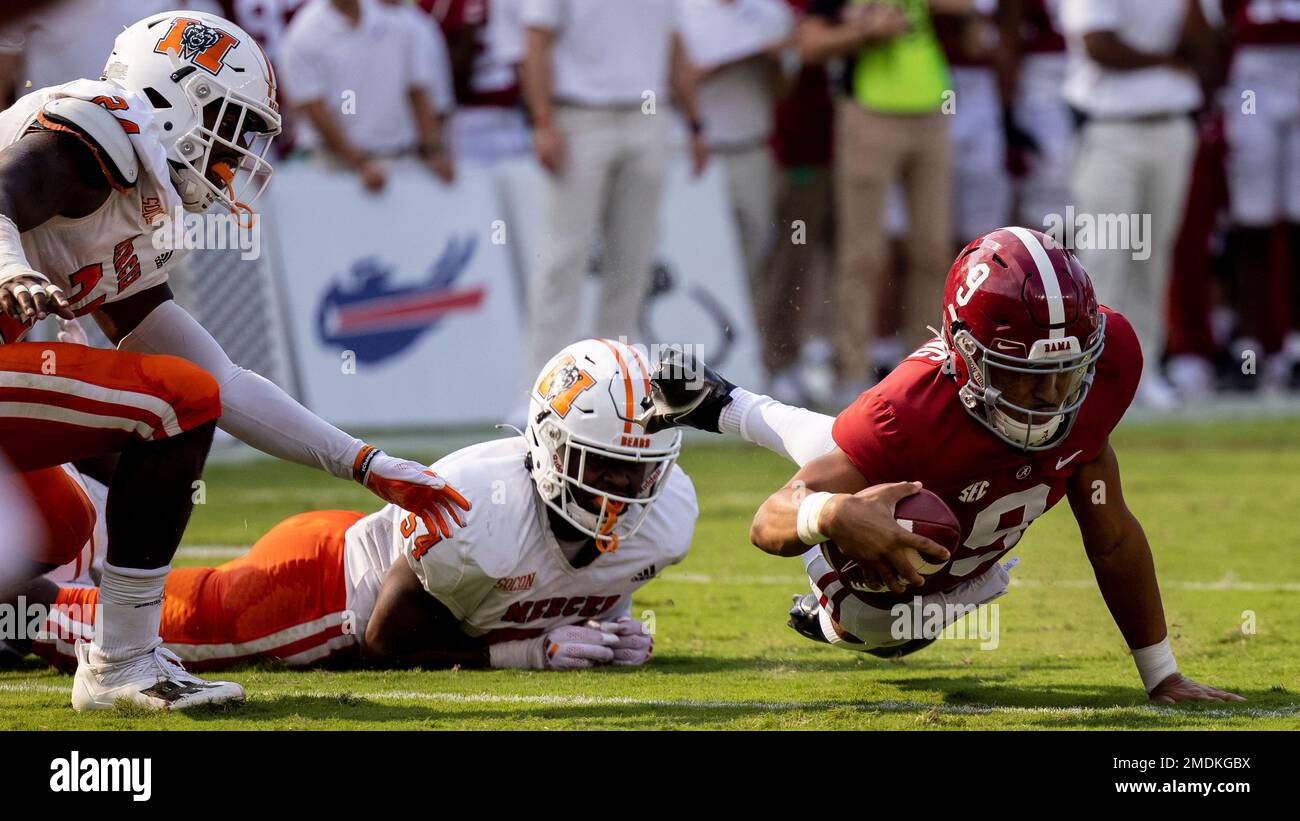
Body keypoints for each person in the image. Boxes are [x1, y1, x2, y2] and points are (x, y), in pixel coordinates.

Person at [0, 9, 470, 710]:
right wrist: (10, 269)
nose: (234, 154)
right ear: (170, 96)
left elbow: (224, 381)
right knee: (170, 404)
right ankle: (121, 662)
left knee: (63, 521)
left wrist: (365, 463)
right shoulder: (95, 129)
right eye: (227, 122)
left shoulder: (124, 197)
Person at [645, 226, 1242, 704]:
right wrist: (837, 516)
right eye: (1023, 376)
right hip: (886, 584)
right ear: (965, 357)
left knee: (857, 455)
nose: (1051, 397)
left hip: (968, 540)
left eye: (1066, 372)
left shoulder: (1108, 364)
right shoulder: (903, 411)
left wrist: (1162, 675)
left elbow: (1111, 538)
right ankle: (827, 614)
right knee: (886, 617)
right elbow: (768, 519)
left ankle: (725, 404)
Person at [22, 339, 696, 673]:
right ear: (551, 447)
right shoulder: (483, 509)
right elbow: (384, 637)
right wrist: (531, 653)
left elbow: (570, 582)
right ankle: (23, 605)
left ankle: (80, 534)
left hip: (368, 555)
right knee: (173, 631)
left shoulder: (666, 519)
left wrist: (609, 627)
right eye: (606, 467)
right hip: (320, 589)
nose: (625, 494)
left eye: (641, 473)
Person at [520, 0, 708, 377]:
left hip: (648, 115)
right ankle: (539, 387)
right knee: (562, 259)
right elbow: (535, 43)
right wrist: (542, 121)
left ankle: (615, 386)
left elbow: (672, 44)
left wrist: (694, 123)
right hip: (579, 115)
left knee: (633, 259)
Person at [1060, 0, 1217, 407]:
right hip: (1110, 128)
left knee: (1154, 256)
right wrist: (1165, 60)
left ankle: (1143, 372)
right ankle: (1090, 374)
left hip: (1171, 124)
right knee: (1105, 256)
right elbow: (1099, 45)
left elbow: (1205, 47)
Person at [280, 0, 456, 191]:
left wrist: (433, 152)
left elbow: (417, 89)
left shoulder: (400, 22)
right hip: (335, 170)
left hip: (403, 162)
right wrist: (359, 163)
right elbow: (315, 110)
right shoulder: (303, 35)